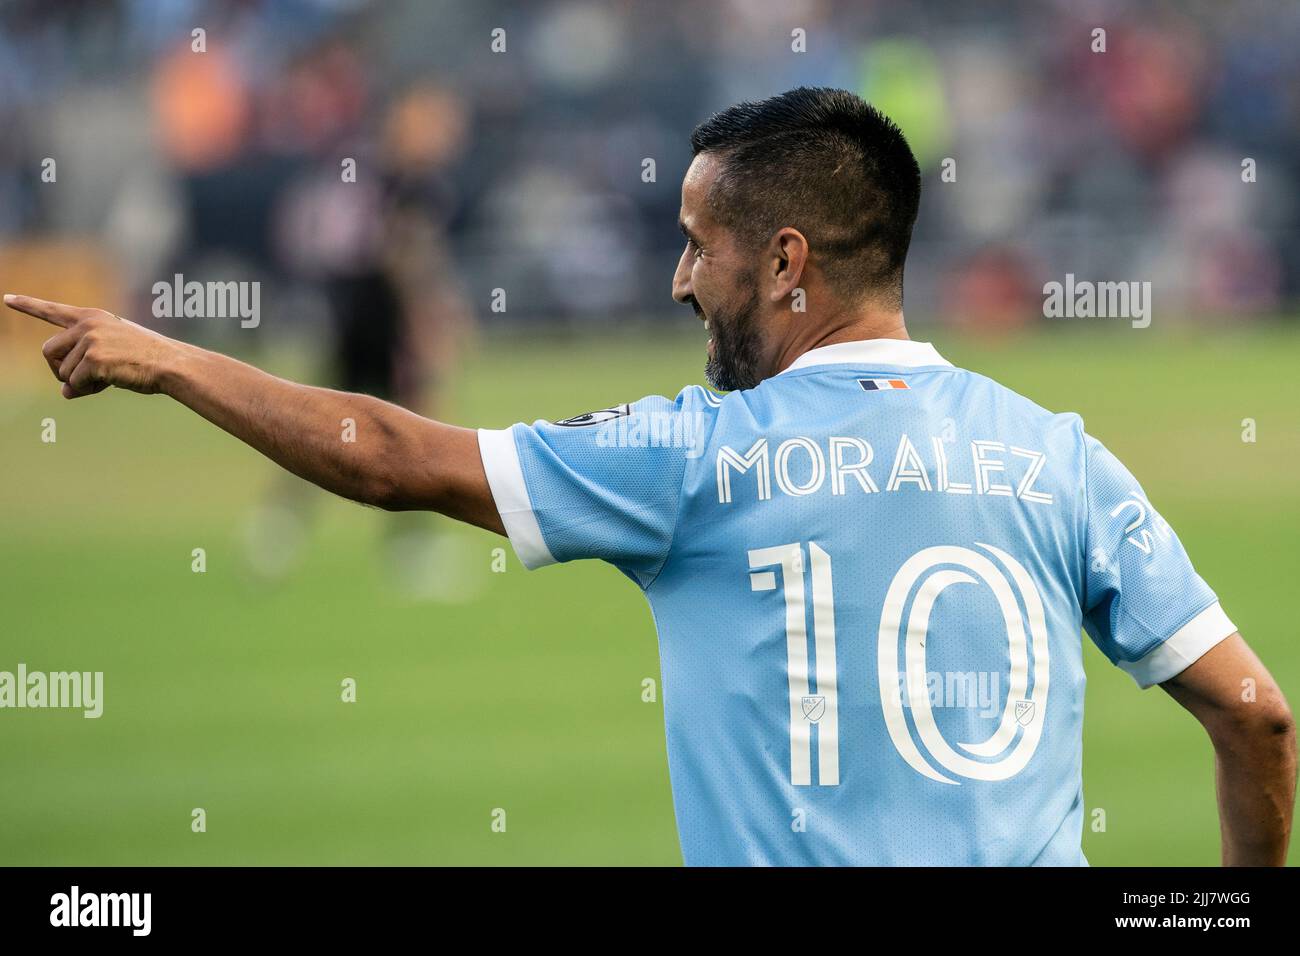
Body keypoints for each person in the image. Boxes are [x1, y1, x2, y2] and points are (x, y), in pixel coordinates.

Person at [9, 88, 1293, 866]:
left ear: (786, 261)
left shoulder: (698, 458)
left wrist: (168, 359)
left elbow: (397, 458)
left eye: (699, 246)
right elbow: (1259, 718)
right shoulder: (1055, 451)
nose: (680, 280)